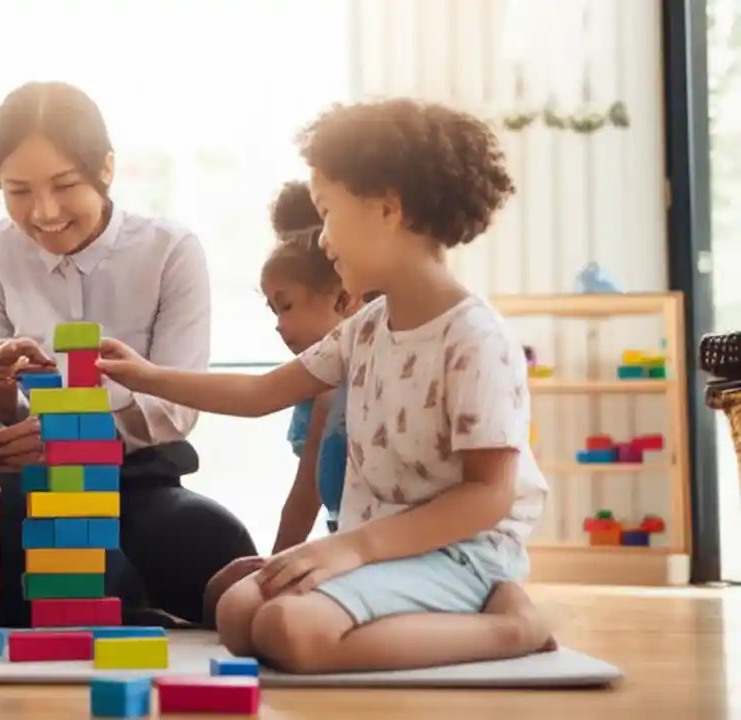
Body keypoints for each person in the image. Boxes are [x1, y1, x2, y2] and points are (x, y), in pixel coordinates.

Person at [95, 98, 553, 674]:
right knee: (236, 611)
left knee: (286, 628)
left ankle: (512, 627)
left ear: (388, 211)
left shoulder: (475, 338)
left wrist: (350, 548)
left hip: (460, 552)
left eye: (328, 212)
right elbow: (261, 394)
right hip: (380, 545)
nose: (322, 239)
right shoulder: (366, 327)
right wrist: (146, 375)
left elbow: (490, 494)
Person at [0, 80, 258, 628]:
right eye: (18, 190)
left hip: (139, 474)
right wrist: (1, 395)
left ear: (107, 170)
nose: (44, 212)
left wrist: (80, 437)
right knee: (9, 525)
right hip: (32, 478)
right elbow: (2, 408)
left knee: (215, 540)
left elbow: (178, 404)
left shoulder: (169, 250)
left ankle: (122, 603)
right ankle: (115, 607)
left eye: (64, 185)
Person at [201, 181, 379, 624]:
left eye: (287, 307)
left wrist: (278, 571)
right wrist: (276, 567)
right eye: (272, 311)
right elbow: (306, 494)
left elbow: (306, 494)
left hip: (378, 559)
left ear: (342, 298)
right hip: (342, 551)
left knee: (261, 616)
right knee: (224, 594)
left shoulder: (356, 377)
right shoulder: (318, 381)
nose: (279, 326)